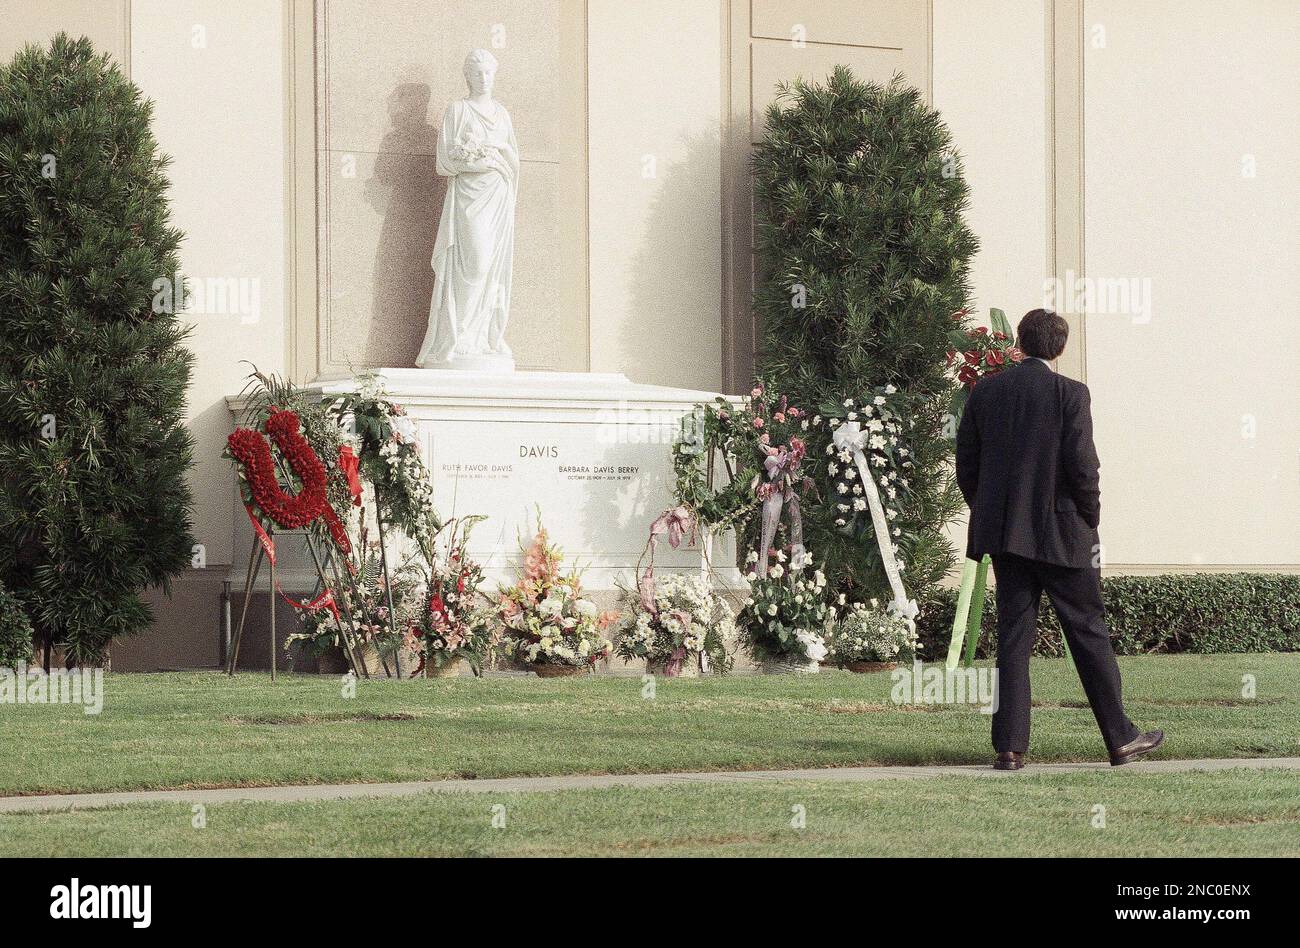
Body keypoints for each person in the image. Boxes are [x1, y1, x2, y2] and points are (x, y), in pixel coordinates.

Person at [955, 308, 1163, 769]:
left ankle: (1009, 747)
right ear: (1060, 348)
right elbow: (1083, 466)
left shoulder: (986, 390)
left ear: (1020, 343)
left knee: (1013, 638)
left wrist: (990, 511)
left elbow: (966, 463)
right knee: (1088, 633)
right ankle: (1120, 737)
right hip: (1065, 534)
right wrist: (1091, 517)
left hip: (1008, 538)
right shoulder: (1071, 393)